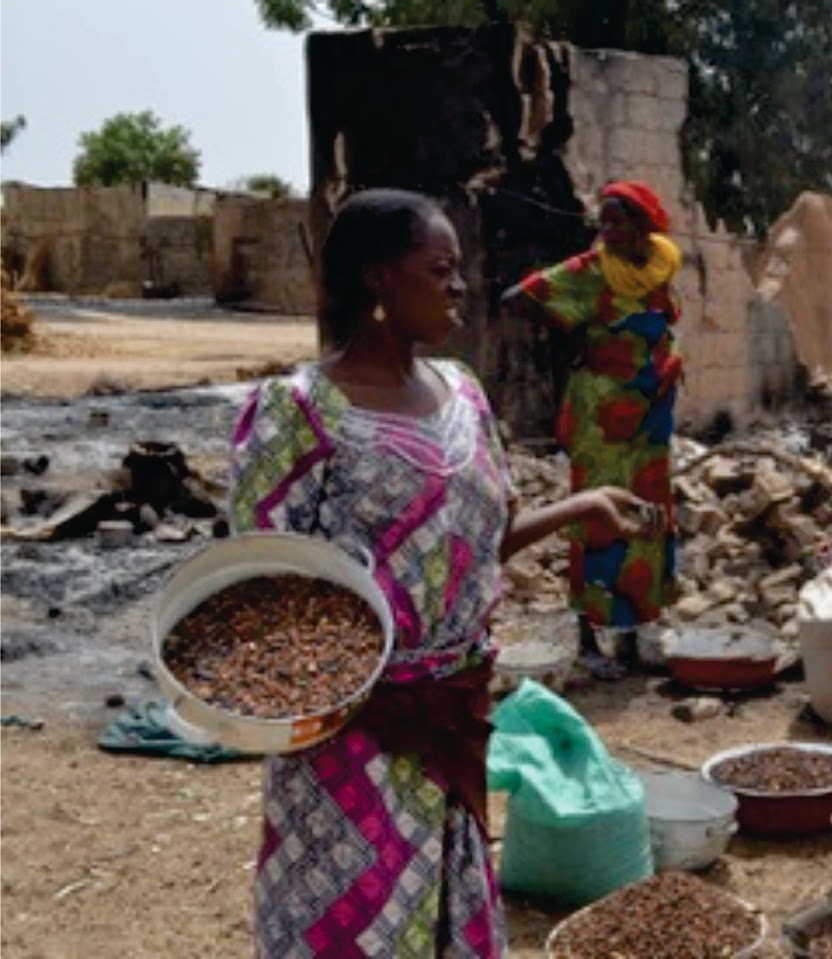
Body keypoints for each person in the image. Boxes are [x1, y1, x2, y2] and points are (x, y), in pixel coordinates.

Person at [229, 188, 662, 958]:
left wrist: (580, 507)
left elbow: (475, 548)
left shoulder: (464, 393)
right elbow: (256, 590)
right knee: (353, 924)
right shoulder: (299, 410)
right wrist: (338, 683)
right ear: (379, 280)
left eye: (459, 269)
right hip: (350, 736)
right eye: (440, 268)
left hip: (453, 718)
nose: (460, 286)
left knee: (441, 917)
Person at [502, 180, 683, 680]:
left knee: (647, 517)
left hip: (649, 417)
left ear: (645, 226)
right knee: (597, 518)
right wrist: (572, 335)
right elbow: (517, 297)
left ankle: (632, 637)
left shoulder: (656, 270)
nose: (606, 231)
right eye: (602, 222)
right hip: (602, 418)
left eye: (617, 220)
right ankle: (587, 640)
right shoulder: (591, 271)